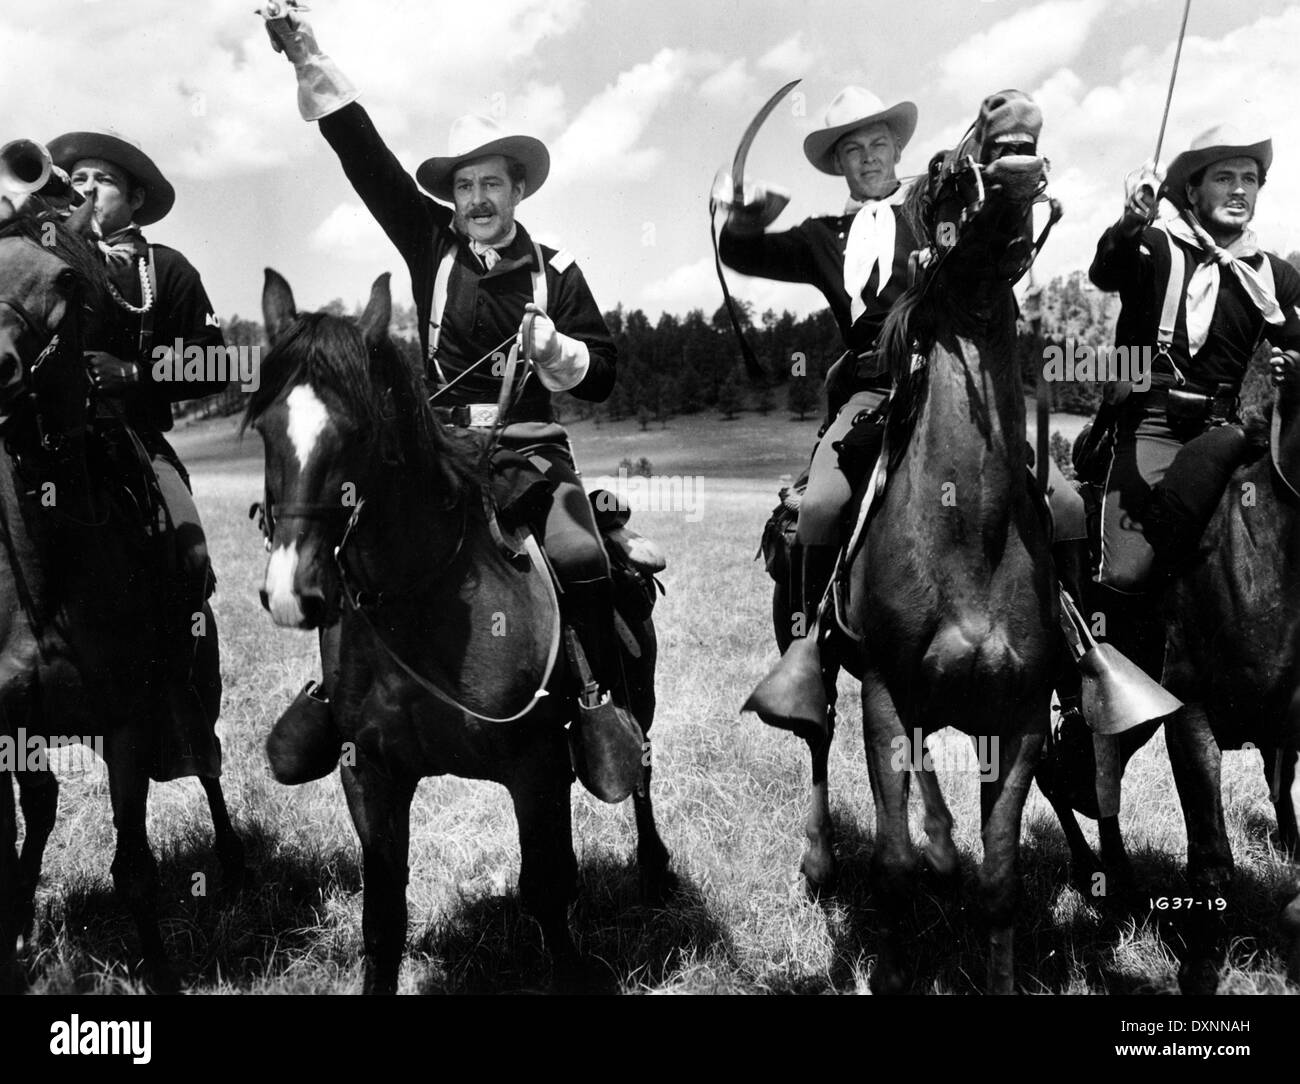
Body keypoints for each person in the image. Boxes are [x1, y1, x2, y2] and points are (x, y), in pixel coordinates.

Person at [263, 12, 641, 794]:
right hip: (439, 453)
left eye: (490, 185)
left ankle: (598, 706)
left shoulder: (558, 272)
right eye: (464, 187)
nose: (476, 200)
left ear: (518, 189)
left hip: (531, 452)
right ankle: (337, 699)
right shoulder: (431, 247)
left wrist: (557, 355)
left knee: (579, 556)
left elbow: (604, 372)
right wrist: (307, 56)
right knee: (351, 539)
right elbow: (364, 158)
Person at [721, 87, 1084, 730]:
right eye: (852, 149)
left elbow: (987, 209)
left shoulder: (933, 199)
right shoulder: (819, 237)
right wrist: (742, 216)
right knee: (821, 505)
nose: (868, 157)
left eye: (878, 144)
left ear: (898, 147)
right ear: (839, 164)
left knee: (1065, 502)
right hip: (871, 393)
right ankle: (809, 661)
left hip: (955, 382)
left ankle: (1081, 661)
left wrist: (1000, 164)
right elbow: (742, 254)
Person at [46, 130, 229, 779]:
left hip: (133, 442)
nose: (85, 188)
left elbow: (225, 364)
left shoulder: (169, 270)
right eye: (77, 179)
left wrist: (136, 371)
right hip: (45, 446)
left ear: (136, 197)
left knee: (189, 555)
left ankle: (179, 696)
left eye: (101, 179)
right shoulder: (40, 260)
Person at [1086, 125, 1300, 672]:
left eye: (1249, 179)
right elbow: (1105, 270)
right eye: (1224, 177)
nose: (1238, 190)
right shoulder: (1155, 246)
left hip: (1226, 434)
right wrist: (1132, 220)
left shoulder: (1275, 275)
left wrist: (1295, 367)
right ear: (1193, 192)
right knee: (1128, 571)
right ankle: (1106, 674)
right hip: (1148, 425)